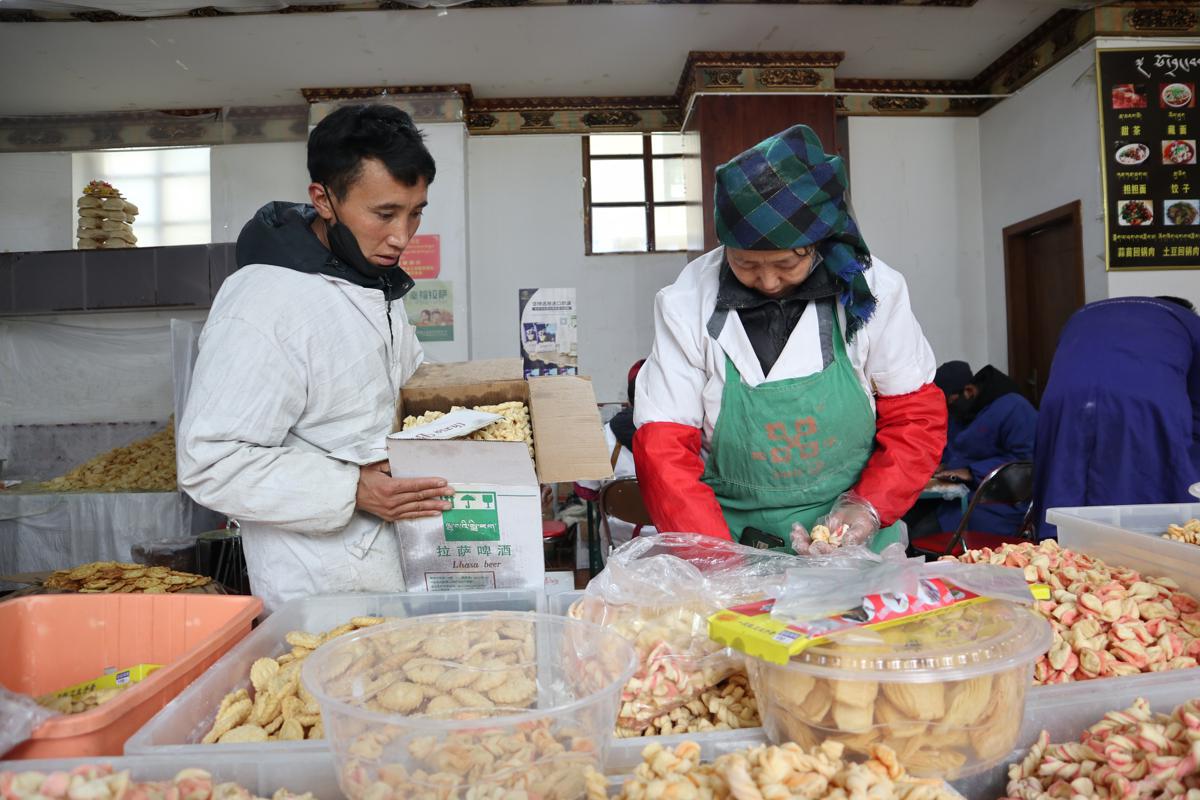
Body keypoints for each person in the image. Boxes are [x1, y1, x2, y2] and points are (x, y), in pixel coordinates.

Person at [178, 104, 454, 611]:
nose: (402, 236)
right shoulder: (265, 300)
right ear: (323, 200)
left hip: (396, 572)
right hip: (321, 589)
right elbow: (210, 462)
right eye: (384, 213)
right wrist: (353, 490)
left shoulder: (376, 289)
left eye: (415, 213)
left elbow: (401, 395)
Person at [632, 124, 946, 554]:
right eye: (745, 264)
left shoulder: (872, 291)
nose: (768, 281)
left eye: (785, 264)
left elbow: (914, 417)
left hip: (858, 546)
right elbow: (662, 448)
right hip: (732, 540)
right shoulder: (686, 303)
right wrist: (719, 560)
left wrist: (868, 508)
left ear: (818, 242)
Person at [1033, 295, 1200, 538]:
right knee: (1151, 476)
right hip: (1145, 396)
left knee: (1065, 473)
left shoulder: (1085, 314)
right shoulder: (1190, 323)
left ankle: (1057, 550)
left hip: (1063, 400)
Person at [930, 364, 1037, 535]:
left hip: (998, 508)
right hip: (958, 501)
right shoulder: (965, 414)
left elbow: (1027, 462)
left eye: (949, 402)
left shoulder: (1014, 408)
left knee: (921, 534)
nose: (948, 410)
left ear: (969, 391)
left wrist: (972, 472)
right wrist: (944, 465)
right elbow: (956, 449)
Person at [575, 360, 658, 549]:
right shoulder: (683, 437)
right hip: (666, 544)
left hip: (619, 544)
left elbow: (586, 491)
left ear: (629, 401)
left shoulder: (602, 437)